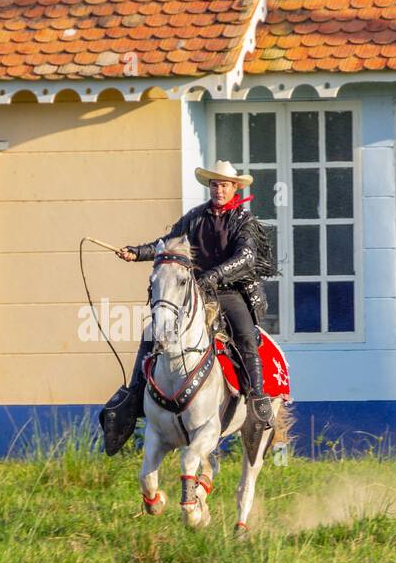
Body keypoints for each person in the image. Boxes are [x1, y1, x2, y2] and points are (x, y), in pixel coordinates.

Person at [99, 160, 272, 455]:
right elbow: (167, 243)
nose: (219, 189)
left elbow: (245, 258)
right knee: (153, 333)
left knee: (244, 334)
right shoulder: (194, 217)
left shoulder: (244, 221)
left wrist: (213, 276)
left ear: (234, 188)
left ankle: (257, 400)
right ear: (210, 187)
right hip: (193, 291)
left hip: (229, 291)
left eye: (225, 185)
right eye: (215, 184)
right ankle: (135, 394)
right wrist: (136, 252)